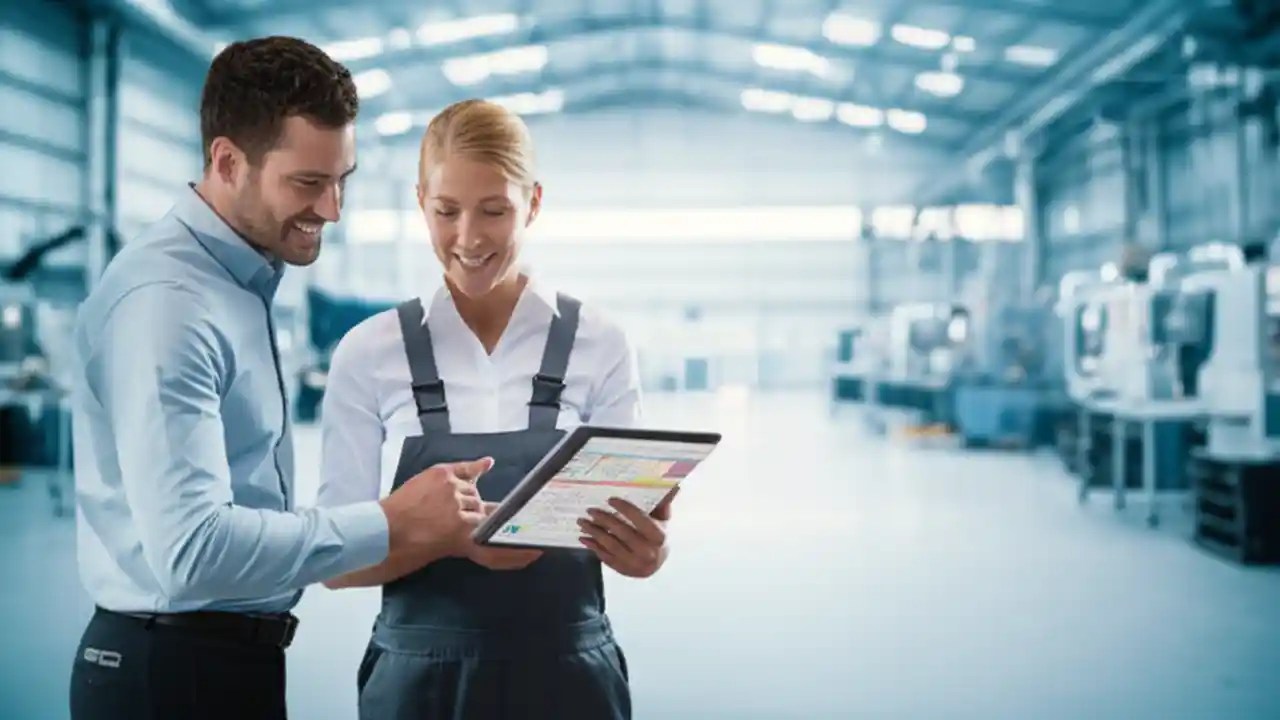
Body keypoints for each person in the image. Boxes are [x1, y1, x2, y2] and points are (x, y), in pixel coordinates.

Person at [67, 37, 491, 720]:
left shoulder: (239, 283)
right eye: (308, 183)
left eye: (341, 180)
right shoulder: (169, 304)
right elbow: (193, 553)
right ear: (228, 161)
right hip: (170, 677)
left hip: (220, 664)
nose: (332, 211)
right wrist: (390, 522)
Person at [316, 98, 678, 719]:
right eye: (446, 211)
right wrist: (449, 541)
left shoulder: (601, 343)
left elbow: (644, 533)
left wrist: (650, 552)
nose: (468, 237)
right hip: (418, 688)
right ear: (420, 202)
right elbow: (336, 563)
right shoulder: (369, 352)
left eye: (495, 210)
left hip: (570, 681)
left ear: (533, 203)